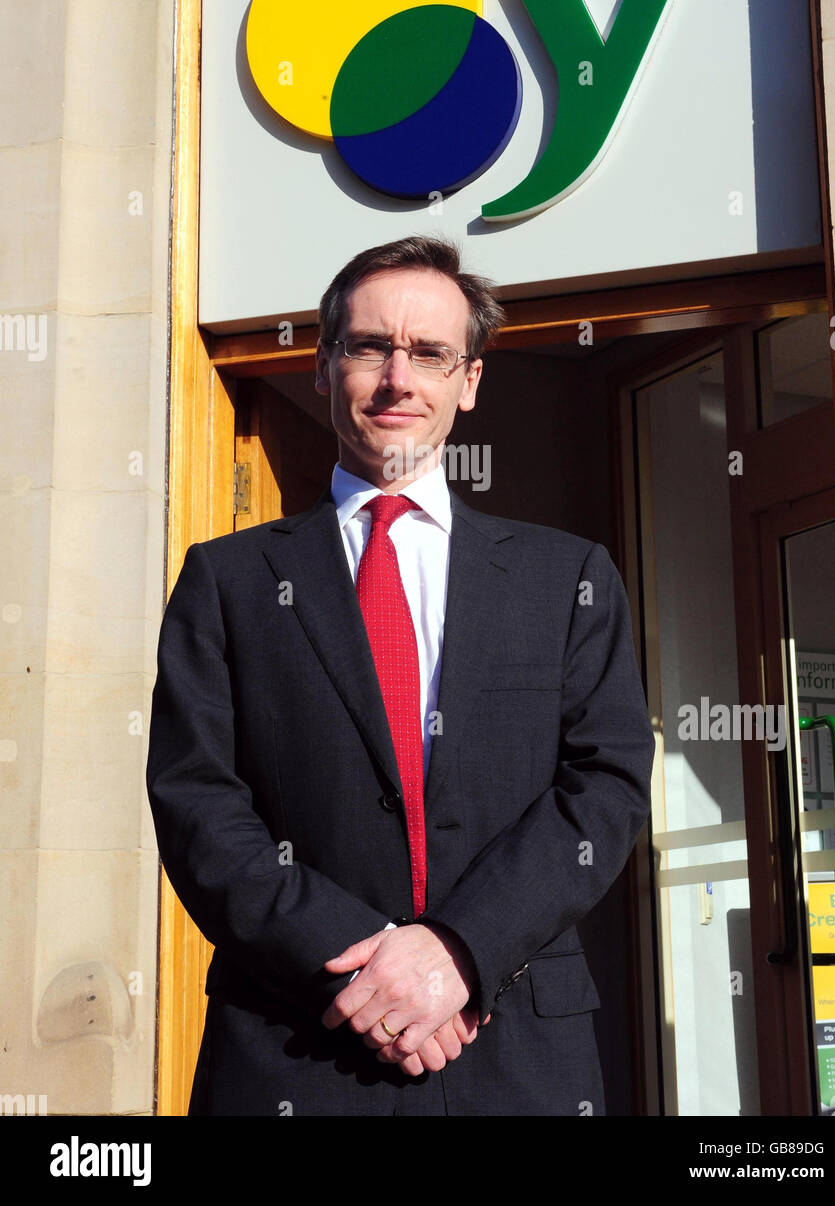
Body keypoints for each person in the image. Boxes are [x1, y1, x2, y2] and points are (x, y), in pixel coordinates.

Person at [146, 234, 655, 1116]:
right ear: (322, 363)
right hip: (293, 1045)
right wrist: (359, 955)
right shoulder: (224, 581)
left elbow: (604, 788)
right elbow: (197, 802)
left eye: (429, 353)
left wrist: (458, 950)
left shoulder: (565, 577)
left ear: (469, 381)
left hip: (518, 1049)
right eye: (370, 345)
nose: (397, 379)